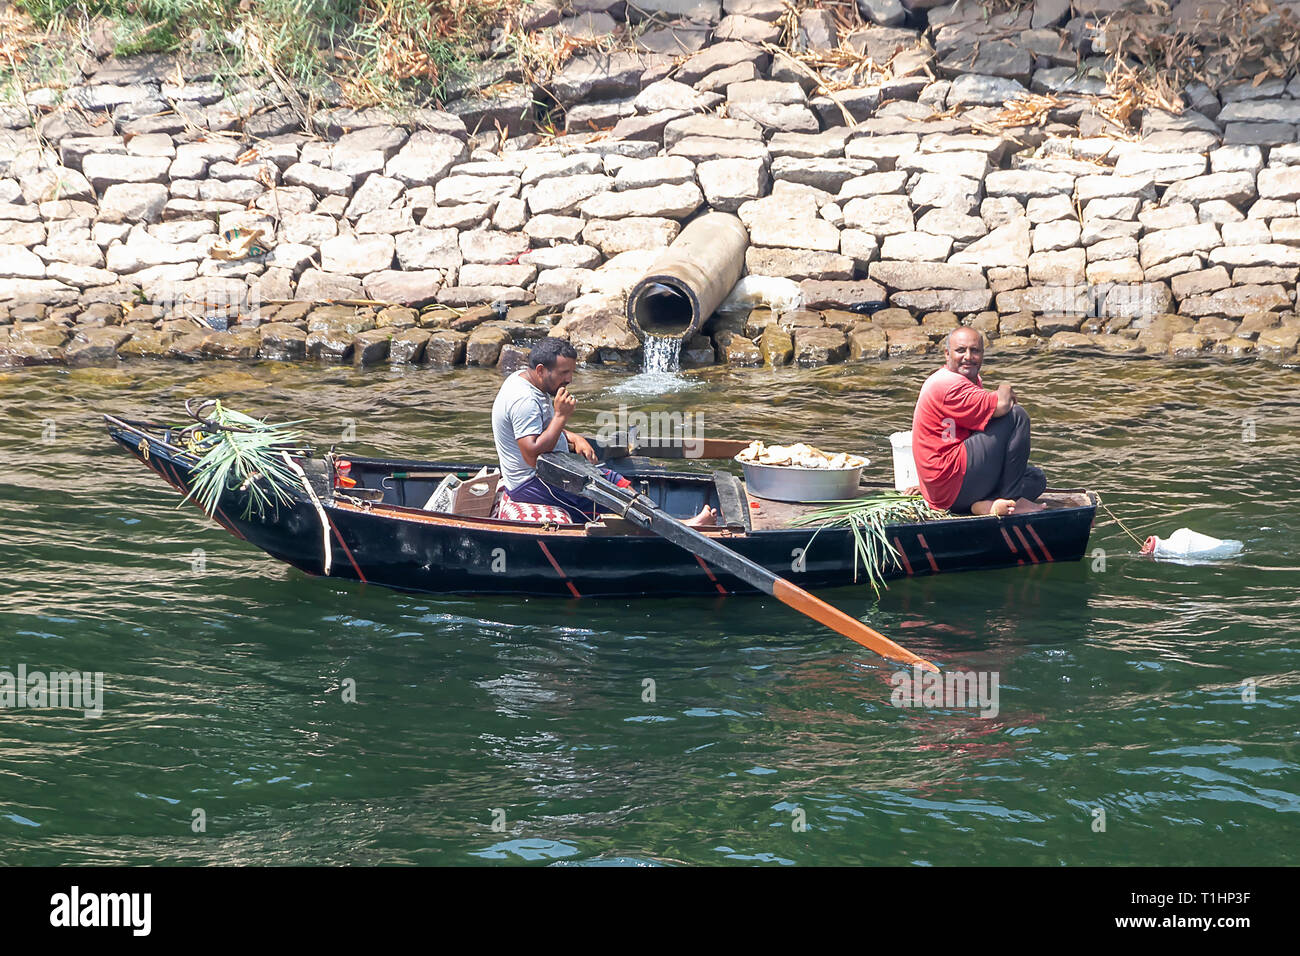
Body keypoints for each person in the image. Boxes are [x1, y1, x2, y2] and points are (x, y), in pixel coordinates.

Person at [492, 338, 716, 525]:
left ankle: (670, 522)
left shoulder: (528, 380)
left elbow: (538, 428)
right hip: (533, 481)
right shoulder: (524, 401)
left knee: (614, 480)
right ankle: (683, 526)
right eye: (563, 373)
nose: (569, 379)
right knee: (608, 498)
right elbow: (531, 456)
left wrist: (572, 437)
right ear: (541, 370)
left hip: (554, 468)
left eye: (571, 371)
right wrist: (561, 416)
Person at [910, 327, 1046, 517]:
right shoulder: (949, 384)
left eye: (975, 351)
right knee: (1017, 415)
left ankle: (982, 505)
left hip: (946, 485)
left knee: (1036, 478)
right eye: (961, 350)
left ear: (982, 353)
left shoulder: (966, 379)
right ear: (947, 354)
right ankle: (1011, 502)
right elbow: (1003, 404)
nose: (968, 356)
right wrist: (1004, 387)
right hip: (950, 485)